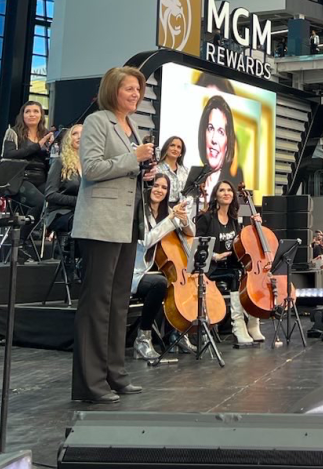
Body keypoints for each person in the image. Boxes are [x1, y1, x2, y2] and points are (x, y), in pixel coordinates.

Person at [71, 66, 154, 404]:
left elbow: (123, 169)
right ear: (112, 91)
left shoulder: (131, 126)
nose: (135, 94)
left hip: (125, 224)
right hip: (101, 224)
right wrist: (132, 158)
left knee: (119, 303)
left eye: (138, 89)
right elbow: (90, 168)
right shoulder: (96, 121)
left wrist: (142, 171)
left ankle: (115, 375)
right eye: (129, 89)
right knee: (97, 304)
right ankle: (91, 384)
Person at [130, 173, 194, 360]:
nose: (159, 190)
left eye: (164, 188)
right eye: (156, 185)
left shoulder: (167, 213)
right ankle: (143, 339)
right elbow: (146, 241)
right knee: (159, 283)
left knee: (175, 285)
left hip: (146, 270)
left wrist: (183, 219)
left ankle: (178, 333)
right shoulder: (140, 211)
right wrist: (170, 220)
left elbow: (191, 233)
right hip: (131, 272)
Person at [195, 180, 262, 346]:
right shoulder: (206, 218)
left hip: (229, 264)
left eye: (229, 190)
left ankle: (253, 323)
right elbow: (196, 245)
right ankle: (237, 326)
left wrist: (255, 226)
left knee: (250, 274)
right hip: (211, 266)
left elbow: (241, 244)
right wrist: (215, 256)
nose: (226, 193)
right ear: (216, 196)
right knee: (236, 275)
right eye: (222, 190)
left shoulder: (233, 219)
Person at [2, 100, 54, 213]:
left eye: (36, 111)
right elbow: (8, 154)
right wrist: (37, 146)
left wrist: (53, 149)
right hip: (21, 180)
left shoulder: (46, 134)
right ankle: (26, 231)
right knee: (40, 204)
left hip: (42, 179)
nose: (32, 114)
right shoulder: (13, 132)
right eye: (28, 112)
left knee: (55, 202)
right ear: (22, 115)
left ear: (41, 115)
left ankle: (42, 230)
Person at [197, 95, 242, 203]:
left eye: (221, 132)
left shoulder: (233, 188)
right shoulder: (194, 183)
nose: (214, 139)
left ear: (228, 141)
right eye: (210, 128)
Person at [45, 124, 82, 240]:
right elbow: (50, 195)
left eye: (84, 133)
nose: (79, 137)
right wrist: (79, 201)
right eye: (75, 133)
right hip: (61, 212)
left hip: (84, 212)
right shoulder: (60, 162)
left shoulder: (93, 165)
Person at [156, 136, 189, 204]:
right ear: (166, 148)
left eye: (179, 147)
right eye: (172, 145)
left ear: (181, 153)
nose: (175, 149)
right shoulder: (156, 168)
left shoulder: (185, 171)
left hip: (180, 210)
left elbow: (188, 195)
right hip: (161, 209)